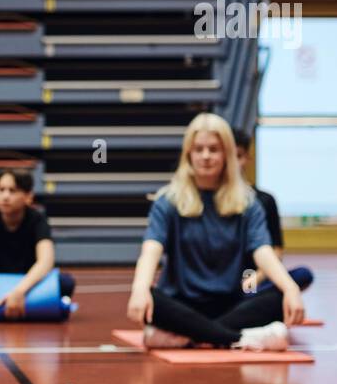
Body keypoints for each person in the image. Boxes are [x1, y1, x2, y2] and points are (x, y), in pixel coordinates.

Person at [126, 113, 305, 351]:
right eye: (198, 149)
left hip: (232, 303)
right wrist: (139, 289)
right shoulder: (167, 201)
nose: (206, 156)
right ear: (188, 153)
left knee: (281, 295)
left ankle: (188, 336)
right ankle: (241, 338)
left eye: (214, 149)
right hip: (182, 304)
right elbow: (151, 250)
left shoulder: (248, 203)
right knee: (151, 300)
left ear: (227, 155)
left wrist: (290, 288)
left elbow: (263, 251)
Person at [0, 169, 75, 321]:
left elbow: (46, 261)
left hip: (30, 282)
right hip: (0, 280)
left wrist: (20, 291)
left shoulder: (37, 220)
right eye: (1, 190)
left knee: (66, 282)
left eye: (12, 191)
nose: (5, 196)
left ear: (28, 197)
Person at [231, 128, 314, 294]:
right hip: (219, 284)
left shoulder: (264, 200)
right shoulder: (209, 200)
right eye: (228, 157)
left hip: (254, 280)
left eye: (238, 156)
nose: (233, 163)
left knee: (302, 275)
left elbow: (276, 250)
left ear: (248, 158)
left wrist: (254, 279)